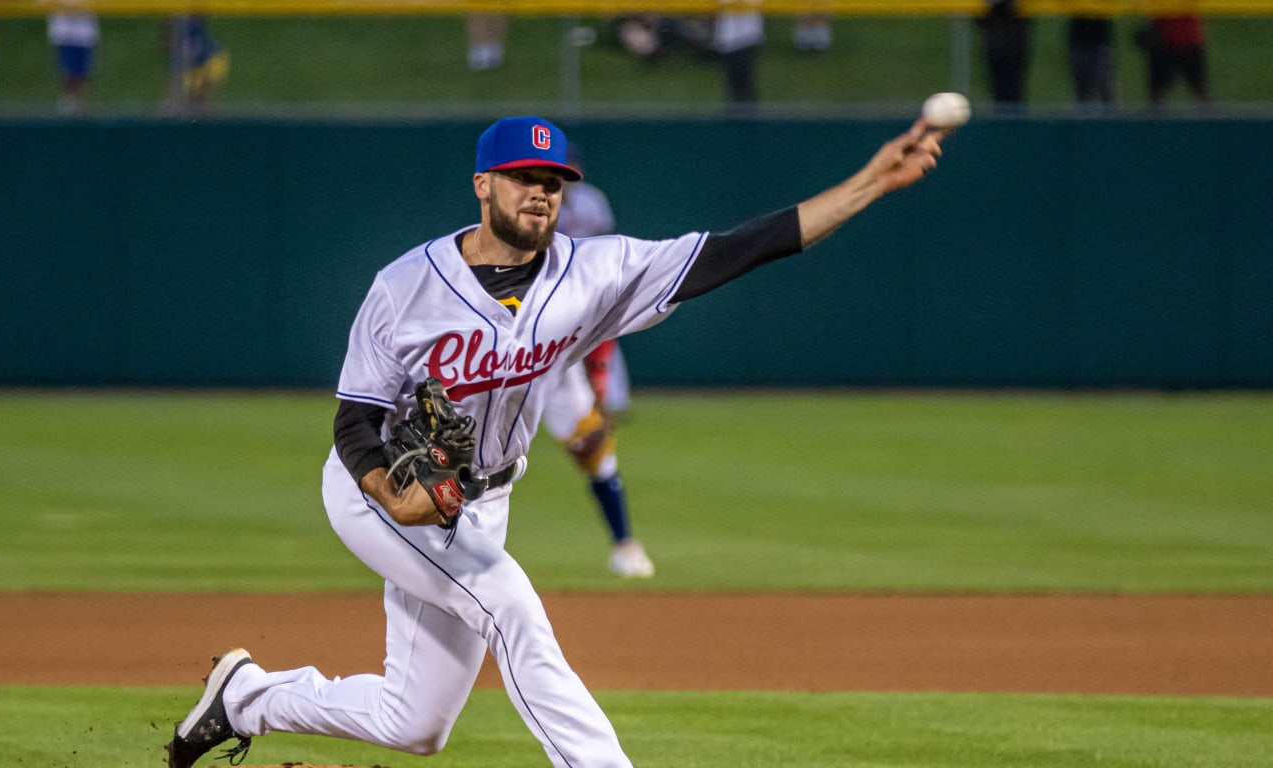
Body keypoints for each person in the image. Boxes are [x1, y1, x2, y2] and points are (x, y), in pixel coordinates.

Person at [164, 114, 949, 768]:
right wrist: (388, 493)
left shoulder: (594, 273)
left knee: (416, 724)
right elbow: (353, 418)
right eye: (522, 178)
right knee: (513, 610)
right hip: (381, 495)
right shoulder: (405, 287)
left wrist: (872, 181)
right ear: (483, 185)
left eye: (552, 181)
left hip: (484, 501)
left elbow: (739, 249)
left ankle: (245, 697)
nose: (541, 193)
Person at [547, 154, 651, 577]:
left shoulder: (591, 266)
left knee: (596, 450)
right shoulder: (510, 229)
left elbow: (601, 331)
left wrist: (602, 396)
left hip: (556, 360)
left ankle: (624, 544)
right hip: (504, 357)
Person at [1138, 14, 1209, 107]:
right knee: (1156, 93)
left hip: (1189, 40)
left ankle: (1209, 117)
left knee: (1200, 90)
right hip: (1164, 41)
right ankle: (1154, 118)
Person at [978, 0, 1030, 114]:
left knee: (1011, 84)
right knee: (1000, 84)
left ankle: (1011, 119)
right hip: (996, 19)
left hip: (1012, 19)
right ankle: (1006, 118)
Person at [46, 5, 98, 116]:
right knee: (67, 71)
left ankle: (80, 107)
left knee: (82, 73)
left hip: (84, 33)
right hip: (64, 33)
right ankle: (69, 103)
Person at [1067, 15, 1115, 111]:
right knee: (1081, 87)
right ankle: (1081, 117)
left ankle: (1110, 117)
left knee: (1104, 84)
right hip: (1079, 35)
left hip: (1100, 36)